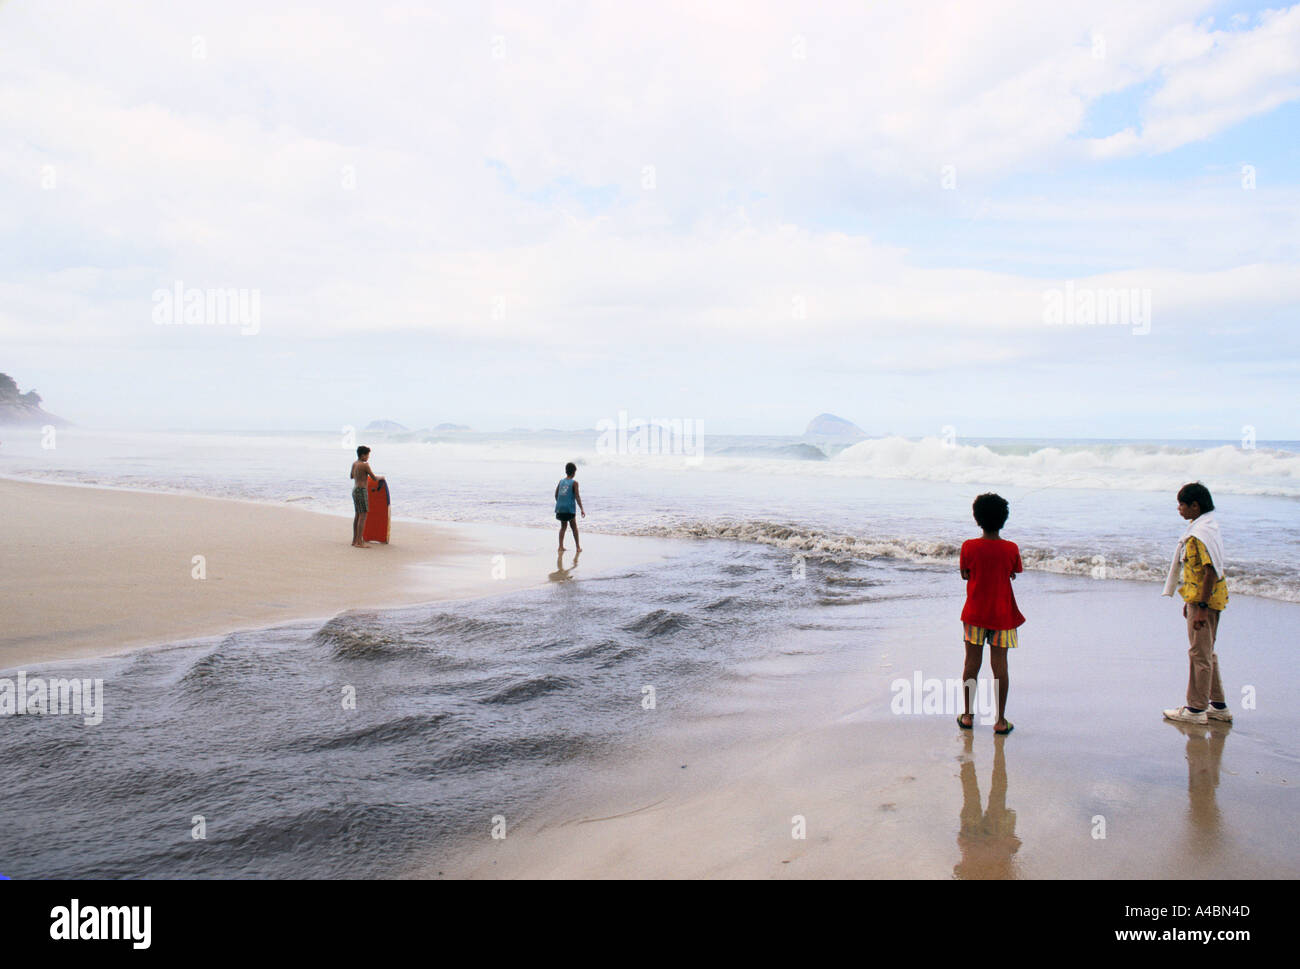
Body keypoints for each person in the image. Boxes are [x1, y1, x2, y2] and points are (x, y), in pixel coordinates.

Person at [1161, 482, 1231, 725]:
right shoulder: (1208, 526)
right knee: (1206, 651)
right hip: (1207, 598)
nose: (1179, 509)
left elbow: (1209, 572)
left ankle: (1195, 709)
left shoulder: (1199, 536)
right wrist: (1191, 601)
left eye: (1181, 504)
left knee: (1198, 654)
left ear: (1195, 505)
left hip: (1206, 601)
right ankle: (1218, 706)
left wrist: (1200, 607)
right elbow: (1200, 572)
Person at [957, 493, 1025, 735]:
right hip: (1002, 616)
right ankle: (1000, 719)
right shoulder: (1011, 548)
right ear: (1004, 520)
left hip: (975, 613)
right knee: (1000, 667)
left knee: (971, 664)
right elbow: (1013, 572)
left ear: (977, 519)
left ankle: (967, 715)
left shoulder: (968, 546)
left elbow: (966, 574)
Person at [350, 446, 384, 548]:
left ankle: (354, 540)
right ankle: (359, 542)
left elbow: (351, 476)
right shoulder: (365, 465)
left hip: (355, 490)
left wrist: (360, 475)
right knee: (363, 516)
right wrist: (382, 477)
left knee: (357, 515)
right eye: (368, 455)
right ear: (363, 455)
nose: (368, 457)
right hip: (361, 490)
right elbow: (374, 478)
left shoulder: (354, 464)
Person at [554, 462, 585, 551]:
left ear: (566, 471)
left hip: (560, 509)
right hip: (569, 510)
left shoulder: (561, 481)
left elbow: (556, 495)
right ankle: (578, 547)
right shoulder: (574, 483)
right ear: (574, 472)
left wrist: (560, 503)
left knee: (563, 527)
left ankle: (560, 546)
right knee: (574, 528)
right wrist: (582, 509)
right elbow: (577, 496)